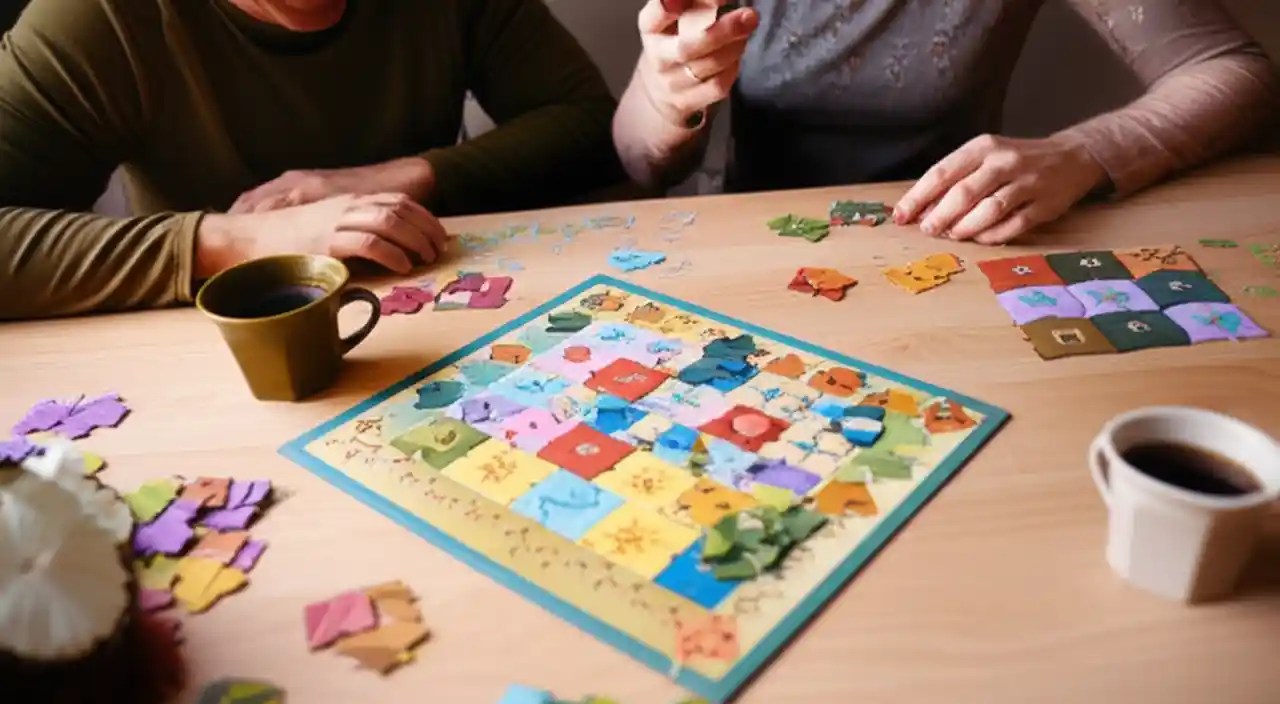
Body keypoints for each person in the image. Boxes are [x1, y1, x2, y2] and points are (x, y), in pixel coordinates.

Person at [0, 0, 621, 320]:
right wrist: (238, 242)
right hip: (203, 362)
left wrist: (404, 178)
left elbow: (591, 125)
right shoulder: (96, 17)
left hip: (439, 323)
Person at [613, 0, 1279, 245]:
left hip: (955, 246)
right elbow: (640, 163)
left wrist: (1079, 153)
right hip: (758, 247)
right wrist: (665, 90)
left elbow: (1234, 72)